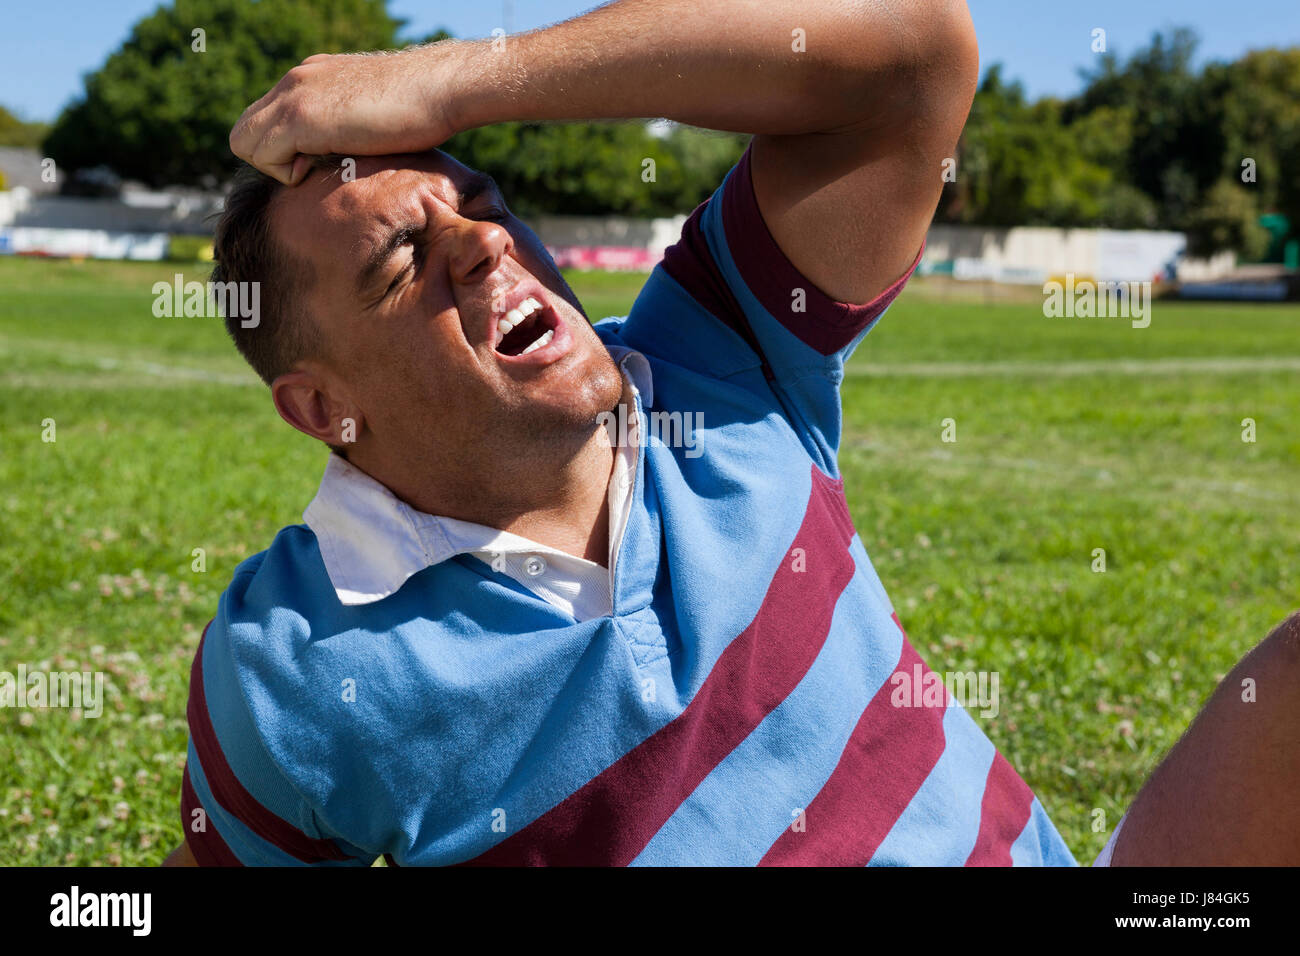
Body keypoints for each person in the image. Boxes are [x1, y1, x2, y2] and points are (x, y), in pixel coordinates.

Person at [162, 0, 1299, 866]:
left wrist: (455, 81)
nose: (483, 246)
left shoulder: (718, 349)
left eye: (486, 204)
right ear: (321, 409)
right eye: (402, 259)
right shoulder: (290, 667)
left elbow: (913, 56)